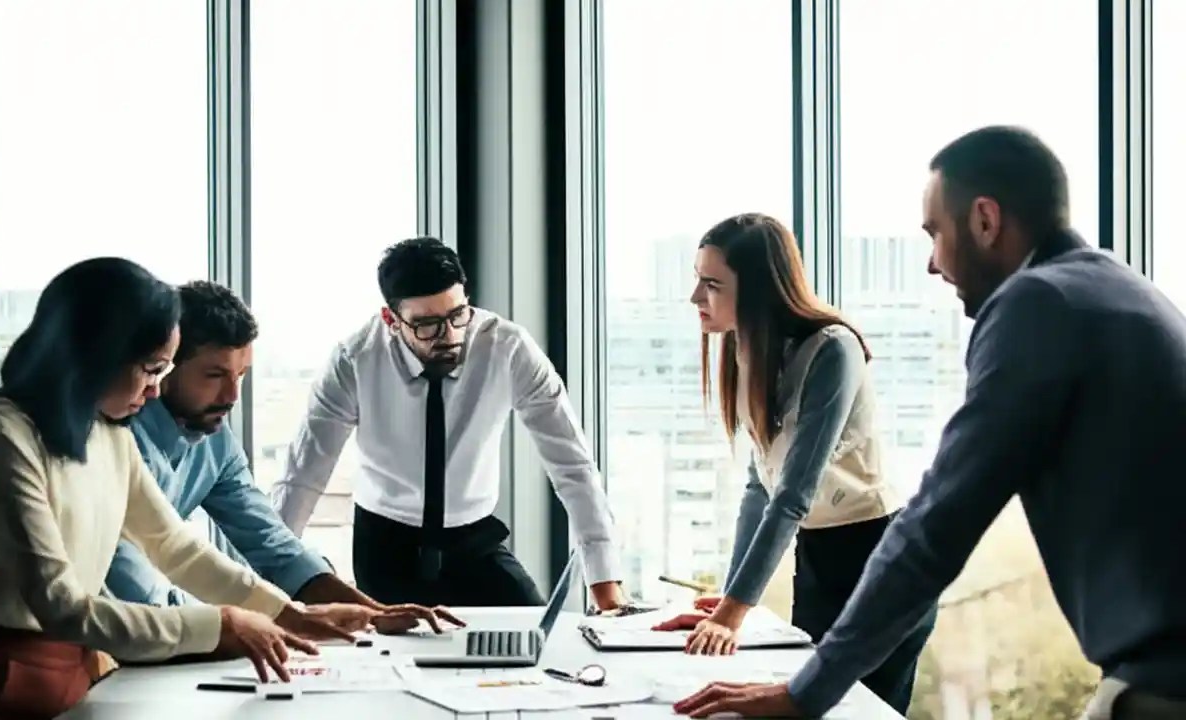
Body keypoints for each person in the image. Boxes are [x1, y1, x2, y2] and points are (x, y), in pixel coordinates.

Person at [673, 127, 1186, 720]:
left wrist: (801, 695)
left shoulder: (1036, 306)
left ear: (986, 221)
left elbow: (937, 526)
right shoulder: (1115, 288)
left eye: (935, 234)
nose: (931, 261)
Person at [0, 259, 369, 718]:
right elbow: (60, 605)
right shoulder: (1, 433)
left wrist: (288, 613)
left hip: (70, 672)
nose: (154, 392)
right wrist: (220, 624)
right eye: (151, 370)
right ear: (97, 354)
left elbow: (176, 548)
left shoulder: (108, 433)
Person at [650, 213, 934, 713]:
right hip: (820, 557)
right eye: (698, 280)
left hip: (879, 557)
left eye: (711, 284)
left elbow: (792, 495)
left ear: (759, 289)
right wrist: (730, 599)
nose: (696, 297)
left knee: (853, 712)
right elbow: (760, 486)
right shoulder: (747, 348)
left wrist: (734, 613)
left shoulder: (833, 349)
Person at [271, 237, 626, 609]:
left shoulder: (508, 349)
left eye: (458, 315)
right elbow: (303, 477)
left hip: (472, 538)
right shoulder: (354, 360)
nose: (450, 336)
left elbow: (572, 464)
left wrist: (604, 585)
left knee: (533, 641)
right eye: (427, 325)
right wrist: (268, 584)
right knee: (394, 659)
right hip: (384, 544)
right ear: (391, 320)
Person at [105, 280, 462, 635]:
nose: (232, 395)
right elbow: (139, 592)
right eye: (214, 375)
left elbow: (273, 546)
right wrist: (254, 626)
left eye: (241, 375)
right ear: (167, 367)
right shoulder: (114, 443)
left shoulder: (215, 442)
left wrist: (371, 613)